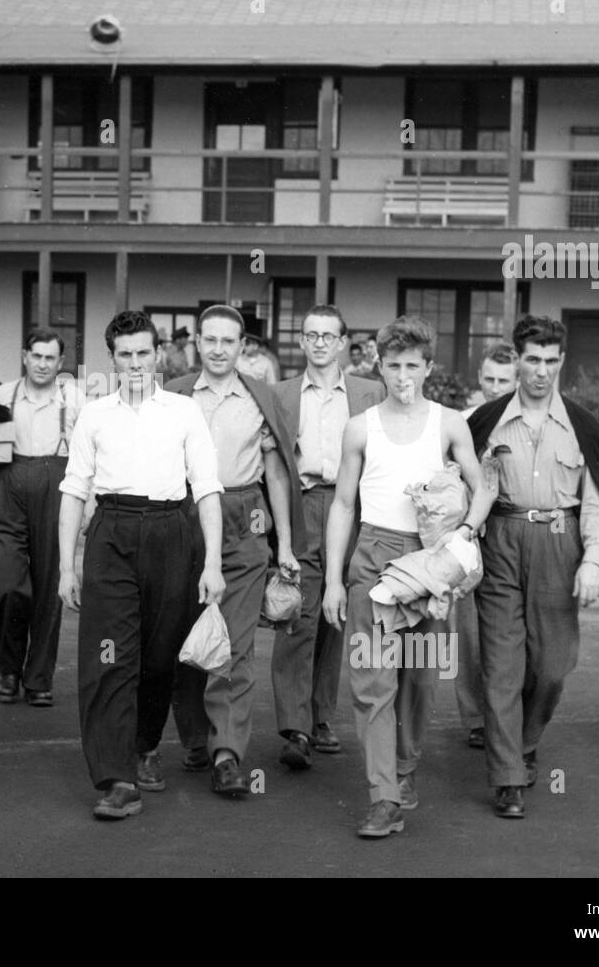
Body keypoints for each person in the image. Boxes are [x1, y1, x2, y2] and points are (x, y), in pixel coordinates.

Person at [323, 315, 490, 838]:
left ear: (429, 368)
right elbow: (343, 505)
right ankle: (383, 798)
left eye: (412, 366)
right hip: (373, 560)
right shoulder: (360, 426)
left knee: (418, 679)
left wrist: (462, 533)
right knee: (373, 681)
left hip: (430, 559)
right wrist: (332, 579)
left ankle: (405, 768)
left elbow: (483, 489)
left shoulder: (448, 423)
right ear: (378, 364)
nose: (402, 376)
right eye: (392, 365)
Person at [57, 310, 224, 821]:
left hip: (173, 533)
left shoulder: (183, 411)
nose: (135, 363)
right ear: (113, 358)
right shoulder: (94, 414)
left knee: (159, 657)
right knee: (108, 658)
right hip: (111, 533)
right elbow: (73, 491)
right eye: (125, 354)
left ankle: (146, 744)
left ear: (157, 355)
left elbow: (209, 489)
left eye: (143, 353)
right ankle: (116, 777)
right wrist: (67, 566)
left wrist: (212, 563)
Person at [467, 315, 599, 820]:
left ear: (561, 362)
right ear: (518, 358)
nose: (541, 371)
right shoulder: (484, 422)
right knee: (502, 663)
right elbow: (466, 487)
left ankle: (526, 741)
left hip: (559, 541)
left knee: (552, 666)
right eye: (532, 359)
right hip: (502, 540)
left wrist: (594, 559)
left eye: (552, 361)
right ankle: (507, 775)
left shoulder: (584, 426)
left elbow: (596, 502)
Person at [166, 305, 300, 796]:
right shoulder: (174, 393)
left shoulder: (258, 396)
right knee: (183, 637)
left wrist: (284, 542)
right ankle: (195, 738)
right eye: (210, 340)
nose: (219, 349)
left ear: (244, 345)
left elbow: (278, 472)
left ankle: (227, 752)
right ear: (197, 342)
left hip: (244, 518)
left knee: (236, 645)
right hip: (182, 516)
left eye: (229, 341)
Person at [269, 304, 384, 768]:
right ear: (301, 341)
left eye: (328, 336)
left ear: (342, 344)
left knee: (336, 616)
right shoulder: (279, 394)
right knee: (298, 614)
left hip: (352, 506)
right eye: (310, 335)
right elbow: (272, 464)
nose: (319, 343)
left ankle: (321, 717)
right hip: (302, 504)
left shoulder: (369, 392)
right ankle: (294, 728)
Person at [0, 328, 85, 707]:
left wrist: (86, 505)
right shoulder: (0, 395)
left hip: (57, 487)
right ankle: (8, 666)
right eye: (36, 356)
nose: (42, 364)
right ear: (25, 356)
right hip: (7, 486)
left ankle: (38, 676)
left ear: (60, 363)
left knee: (48, 585)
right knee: (7, 584)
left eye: (50, 358)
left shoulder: (76, 399)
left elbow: (91, 456)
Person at [455, 341, 518, 748]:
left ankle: (509, 712)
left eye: (504, 381)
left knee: (509, 628)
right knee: (468, 630)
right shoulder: (461, 422)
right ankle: (476, 717)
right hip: (467, 530)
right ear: (479, 378)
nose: (495, 388)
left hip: (512, 528)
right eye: (489, 379)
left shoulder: (526, 422)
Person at [236, 320, 280, 385]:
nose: (244, 347)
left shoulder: (266, 363)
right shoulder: (238, 361)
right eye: (243, 343)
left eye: (247, 344)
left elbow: (272, 384)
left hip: (259, 394)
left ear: (255, 346)